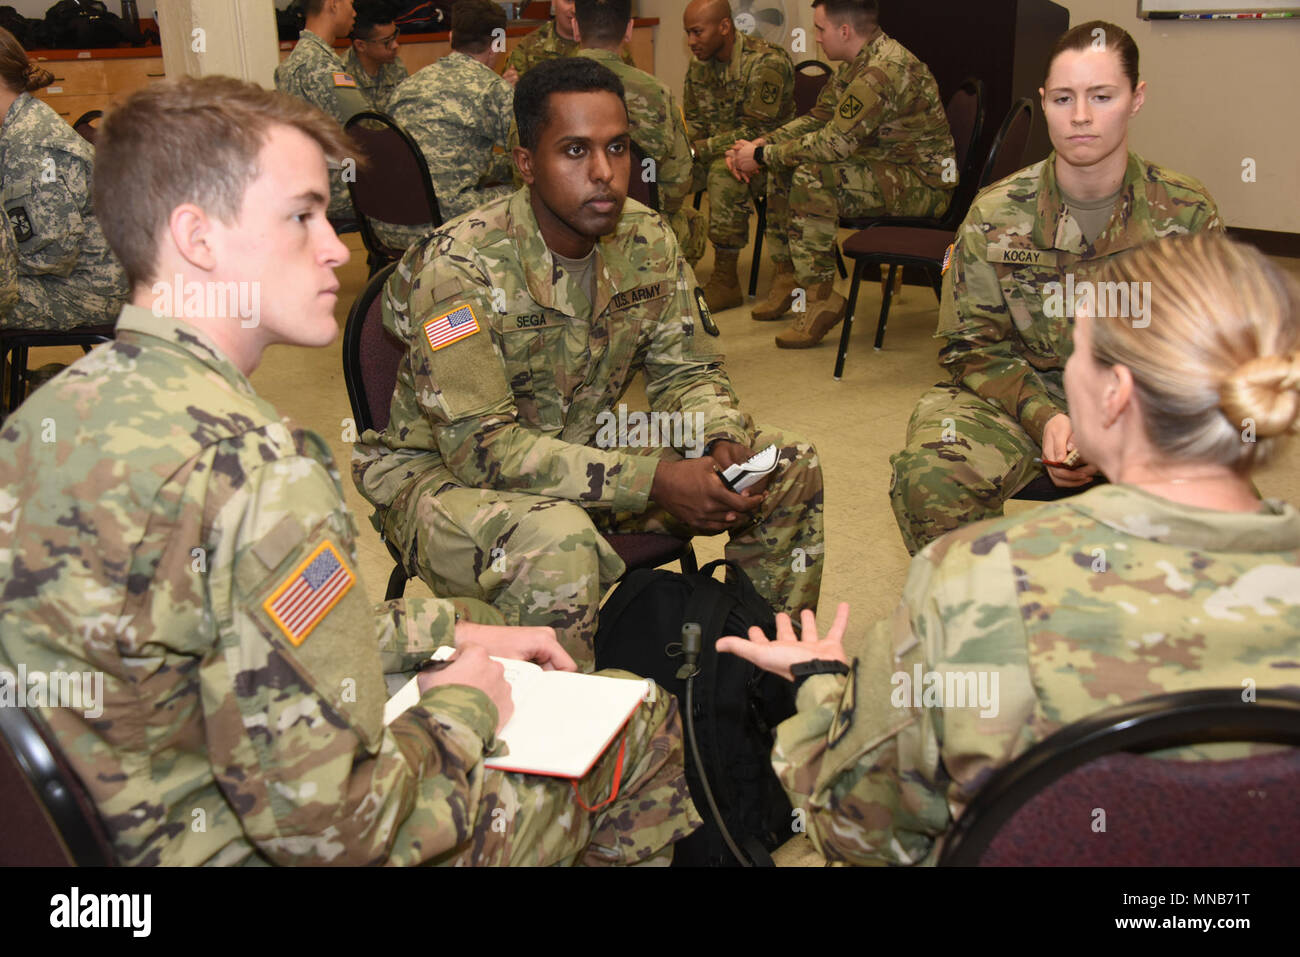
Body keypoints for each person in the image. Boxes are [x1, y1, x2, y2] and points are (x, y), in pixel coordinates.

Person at [0, 75, 699, 867]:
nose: (336, 245)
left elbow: (242, 637)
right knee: (632, 726)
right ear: (198, 238)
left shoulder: (43, 423)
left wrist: (449, 629)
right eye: (301, 216)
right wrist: (466, 705)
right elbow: (339, 828)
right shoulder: (261, 471)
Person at [722, 230, 1300, 865]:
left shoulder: (977, 582)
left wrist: (820, 687)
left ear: (1116, 394)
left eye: (1077, 353)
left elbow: (863, 829)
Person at [351, 57, 825, 671]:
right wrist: (655, 480)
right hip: (441, 481)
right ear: (527, 164)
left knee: (784, 464)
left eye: (618, 148)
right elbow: (483, 449)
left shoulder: (647, 238)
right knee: (561, 540)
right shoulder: (458, 269)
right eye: (574, 151)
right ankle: (574, 750)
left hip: (585, 443)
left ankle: (752, 682)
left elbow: (688, 371)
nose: (604, 174)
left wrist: (719, 437)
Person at [889, 20, 1223, 556]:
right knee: (932, 473)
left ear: (1136, 99)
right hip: (1022, 397)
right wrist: (1049, 418)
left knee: (1220, 492)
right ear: (1044, 102)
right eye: (1064, 98)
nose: (1082, 116)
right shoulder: (996, 213)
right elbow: (970, 347)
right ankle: (981, 624)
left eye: (1102, 96)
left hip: (1144, 408)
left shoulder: (1185, 214)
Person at [728, 0, 954, 348]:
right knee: (785, 167)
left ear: (844, 31)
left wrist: (760, 155)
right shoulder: (857, 63)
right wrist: (764, 143)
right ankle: (790, 277)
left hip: (921, 184)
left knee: (810, 177)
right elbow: (820, 118)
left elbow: (834, 144)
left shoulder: (881, 71)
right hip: (886, 167)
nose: (815, 38)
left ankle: (821, 300)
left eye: (820, 29)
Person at [0, 27, 127, 331]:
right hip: (72, 276)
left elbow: (51, 256)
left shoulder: (30, 145)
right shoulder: (19, 123)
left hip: (90, 290)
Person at [375, 0, 516, 253]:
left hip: (386, 222)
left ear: (452, 38)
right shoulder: (493, 90)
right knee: (529, 194)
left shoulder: (408, 85)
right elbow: (531, 157)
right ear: (498, 43)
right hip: (445, 227)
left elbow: (440, 159)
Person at [682, 0, 794, 311]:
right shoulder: (698, 65)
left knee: (722, 174)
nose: (691, 41)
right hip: (720, 153)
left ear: (724, 27)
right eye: (687, 34)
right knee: (664, 173)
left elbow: (757, 129)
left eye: (697, 32)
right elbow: (694, 121)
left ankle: (726, 279)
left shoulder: (766, 62)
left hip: (771, 159)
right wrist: (680, 150)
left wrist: (703, 149)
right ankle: (669, 260)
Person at [574, 0, 704, 265]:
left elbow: (524, 176)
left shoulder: (540, 89)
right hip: (638, 231)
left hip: (564, 232)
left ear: (576, 28)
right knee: (691, 221)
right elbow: (679, 180)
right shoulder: (657, 93)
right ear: (629, 30)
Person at [274, 0, 368, 221]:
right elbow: (365, 124)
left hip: (307, 180)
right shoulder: (320, 65)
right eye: (350, 4)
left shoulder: (294, 61)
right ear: (333, 5)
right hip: (340, 188)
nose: (354, 12)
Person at [504, 0, 634, 82]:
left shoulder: (607, 43)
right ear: (553, 2)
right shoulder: (528, 47)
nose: (574, 9)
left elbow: (633, 88)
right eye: (568, 1)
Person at [342, 1, 409, 113]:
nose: (395, 45)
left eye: (395, 36)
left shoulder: (396, 66)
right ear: (361, 45)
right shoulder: (342, 74)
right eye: (387, 42)